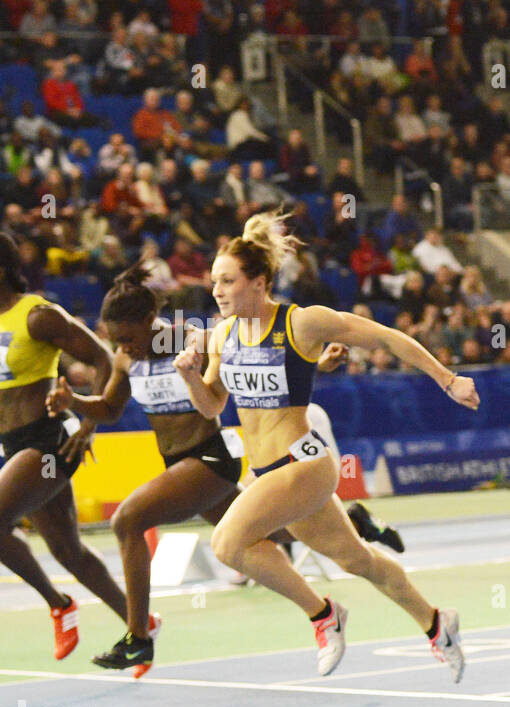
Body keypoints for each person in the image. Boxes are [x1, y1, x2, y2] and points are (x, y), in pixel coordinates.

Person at [173, 213, 478, 679]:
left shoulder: (302, 323)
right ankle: (437, 623)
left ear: (260, 282)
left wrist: (448, 378)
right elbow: (212, 406)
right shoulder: (222, 335)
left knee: (227, 543)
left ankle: (323, 615)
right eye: (214, 280)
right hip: (267, 473)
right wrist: (191, 376)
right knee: (358, 560)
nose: (216, 290)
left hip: (303, 464)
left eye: (228, 281)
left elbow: (385, 337)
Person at [43, 264, 294, 675]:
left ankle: (138, 638)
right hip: (179, 465)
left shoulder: (185, 338)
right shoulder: (125, 359)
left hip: (211, 457)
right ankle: (351, 521)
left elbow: (225, 343)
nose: (124, 347)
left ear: (150, 321)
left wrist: (205, 348)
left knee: (127, 519)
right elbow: (108, 409)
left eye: (129, 337)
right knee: (274, 531)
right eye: (116, 341)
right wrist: (74, 402)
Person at [0, 231, 134, 660]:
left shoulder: (37, 316)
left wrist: (90, 423)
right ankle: (140, 624)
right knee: (67, 550)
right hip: (13, 444)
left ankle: (59, 605)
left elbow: (105, 360)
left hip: (49, 443)